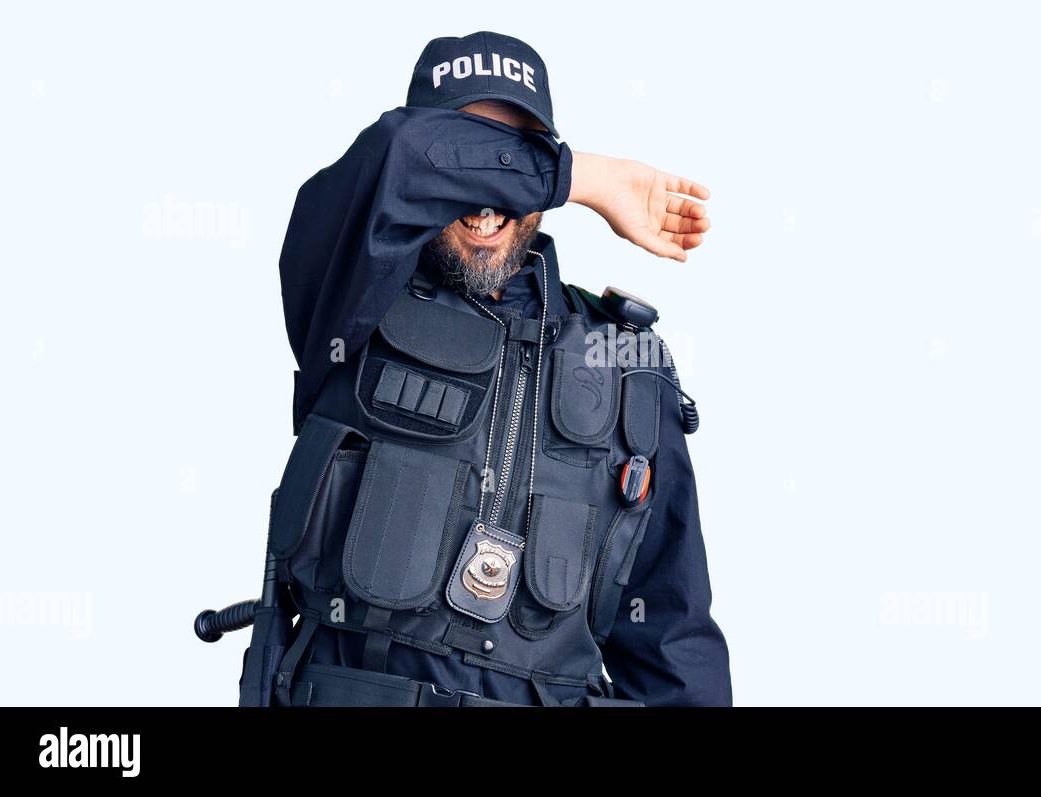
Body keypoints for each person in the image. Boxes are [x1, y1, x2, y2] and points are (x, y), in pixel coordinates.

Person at [238, 31, 731, 707]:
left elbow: (675, 644)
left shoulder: (626, 367)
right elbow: (400, 156)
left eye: (521, 152)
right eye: (477, 155)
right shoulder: (351, 295)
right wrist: (582, 177)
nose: (488, 192)